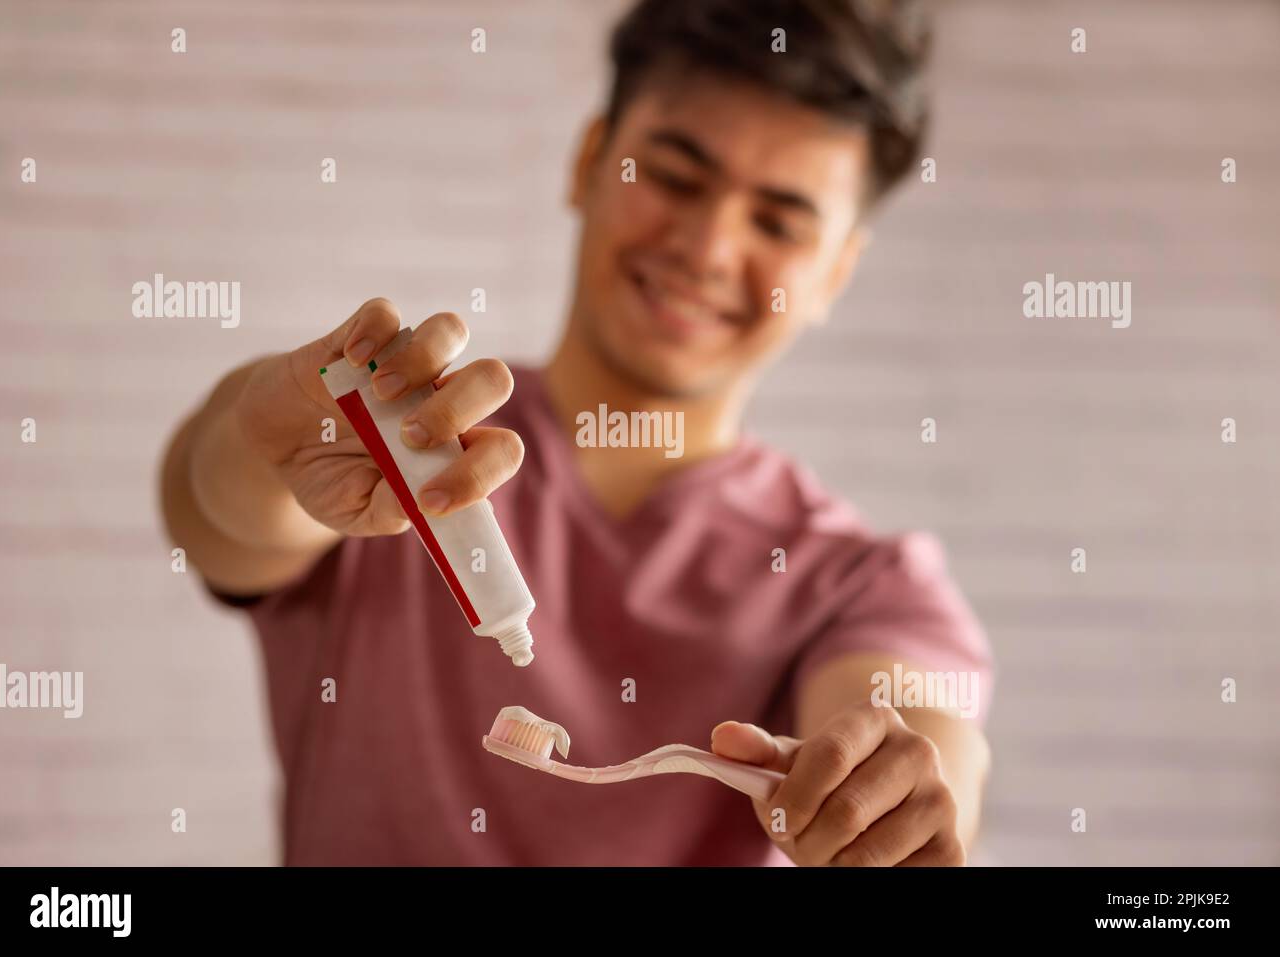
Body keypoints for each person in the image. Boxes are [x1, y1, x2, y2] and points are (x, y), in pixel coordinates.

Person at [159, 0, 993, 866]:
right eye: (675, 175)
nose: (708, 248)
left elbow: (924, 739)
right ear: (590, 161)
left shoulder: (863, 583)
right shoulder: (395, 451)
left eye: (778, 222)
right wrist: (257, 443)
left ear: (835, 273)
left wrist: (893, 799)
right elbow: (216, 514)